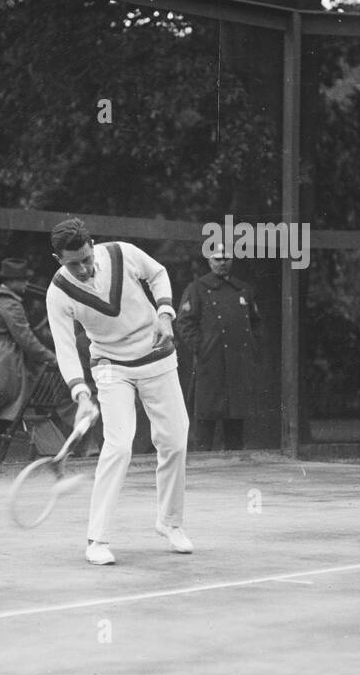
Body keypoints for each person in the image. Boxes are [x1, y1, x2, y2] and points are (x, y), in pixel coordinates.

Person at [44, 218, 191, 565]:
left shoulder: (122, 253)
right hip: (110, 365)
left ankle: (169, 523)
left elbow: (158, 273)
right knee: (119, 445)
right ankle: (97, 539)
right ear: (57, 259)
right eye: (72, 263)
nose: (82, 267)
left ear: (92, 244)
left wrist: (166, 314)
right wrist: (81, 394)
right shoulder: (58, 293)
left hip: (156, 355)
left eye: (85, 257)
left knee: (175, 440)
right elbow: (65, 348)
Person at [177, 241, 260, 451]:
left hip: (237, 365)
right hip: (210, 364)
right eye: (217, 259)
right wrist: (201, 348)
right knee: (205, 421)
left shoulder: (243, 289)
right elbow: (184, 322)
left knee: (235, 423)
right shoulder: (197, 288)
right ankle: (202, 471)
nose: (222, 263)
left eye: (227, 258)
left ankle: (235, 469)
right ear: (209, 261)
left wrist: (248, 349)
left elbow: (255, 323)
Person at [0, 258, 57, 458]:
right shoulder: (9, 303)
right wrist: (51, 357)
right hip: (5, 360)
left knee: (3, 408)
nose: (25, 285)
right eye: (21, 280)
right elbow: (26, 339)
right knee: (10, 405)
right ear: (11, 282)